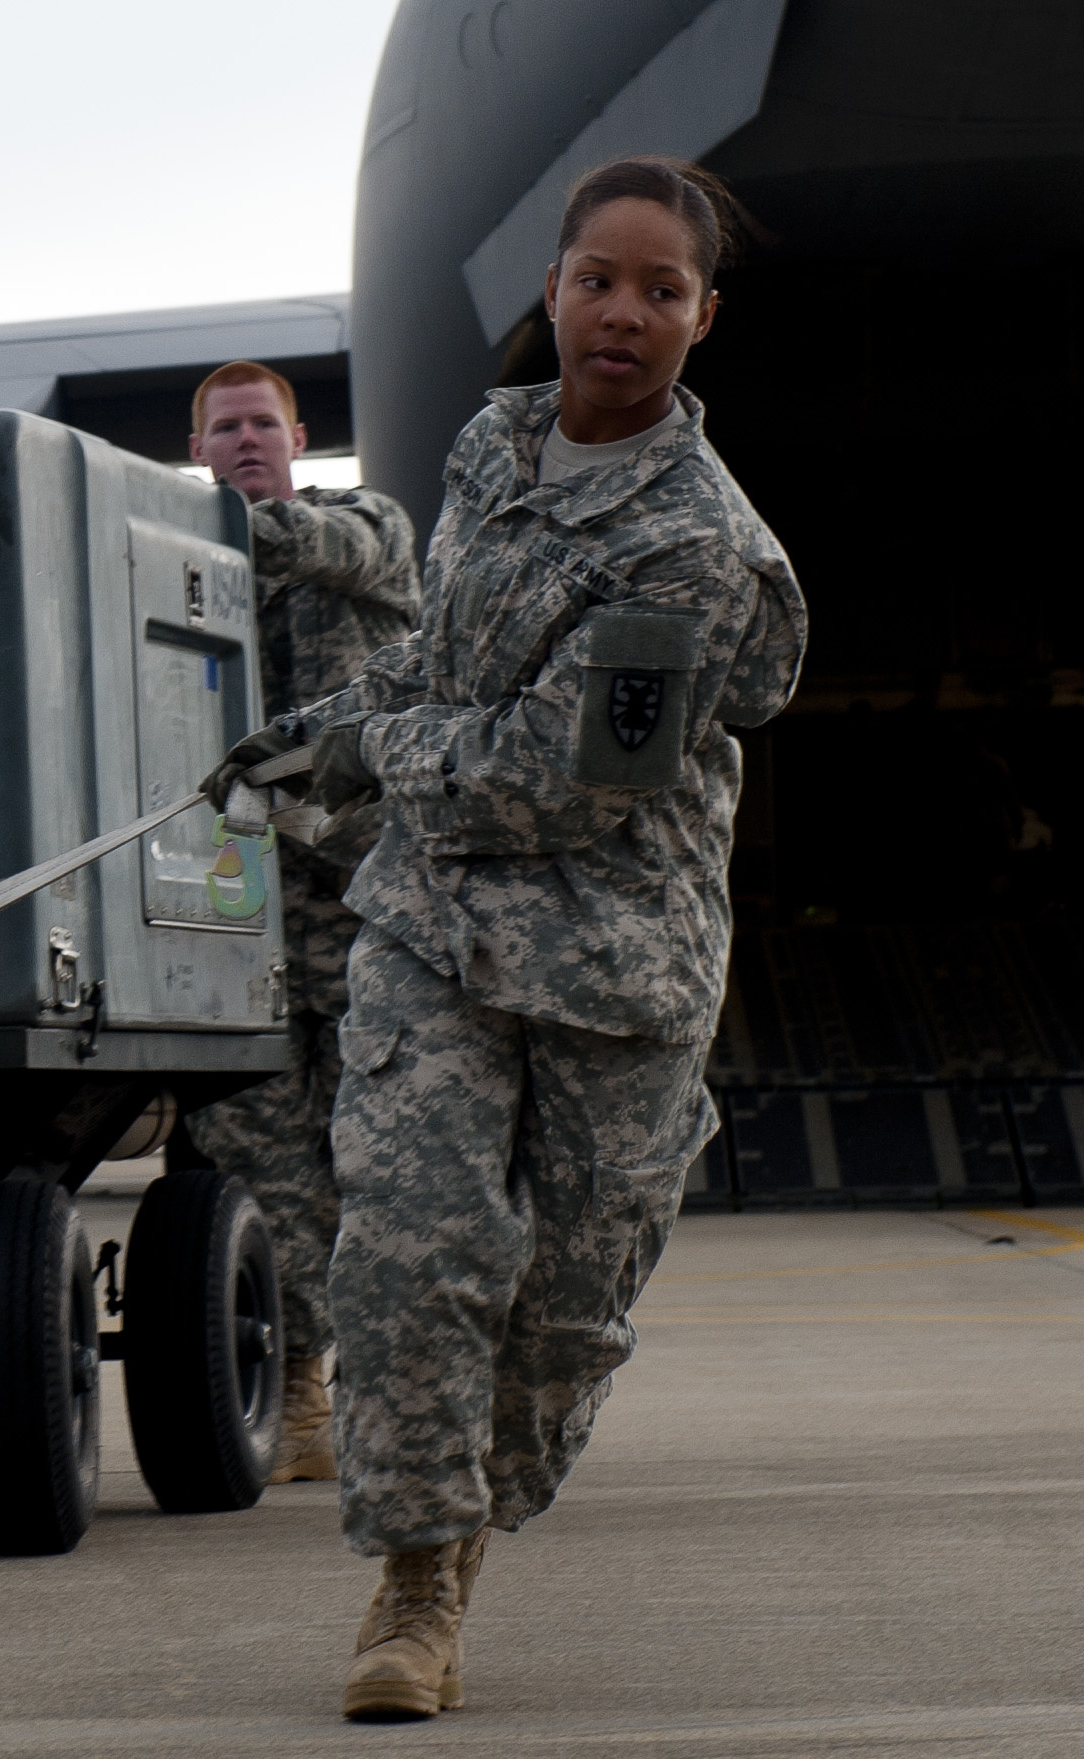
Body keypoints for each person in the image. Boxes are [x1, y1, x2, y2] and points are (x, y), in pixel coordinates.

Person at [206, 156, 805, 1720]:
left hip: (617, 967)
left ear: (699, 319)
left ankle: (469, 1528)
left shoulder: (693, 546)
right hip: (429, 936)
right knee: (407, 1254)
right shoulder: (487, 445)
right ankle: (410, 1577)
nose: (620, 313)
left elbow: (562, 781)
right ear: (549, 289)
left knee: (559, 1320)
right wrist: (306, 734)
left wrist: (360, 759)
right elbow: (431, 667)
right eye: (595, 278)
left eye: (657, 289)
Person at [180, 363, 418, 1482]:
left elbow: (310, 546)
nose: (241, 440)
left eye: (259, 424)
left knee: (394, 1169)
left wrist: (189, 528)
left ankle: (415, 1395)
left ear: (297, 436)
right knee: (269, 1171)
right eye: (221, 428)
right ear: (197, 447)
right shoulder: (174, 577)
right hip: (243, 931)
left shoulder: (361, 527)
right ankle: (309, 1391)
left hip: (378, 919)